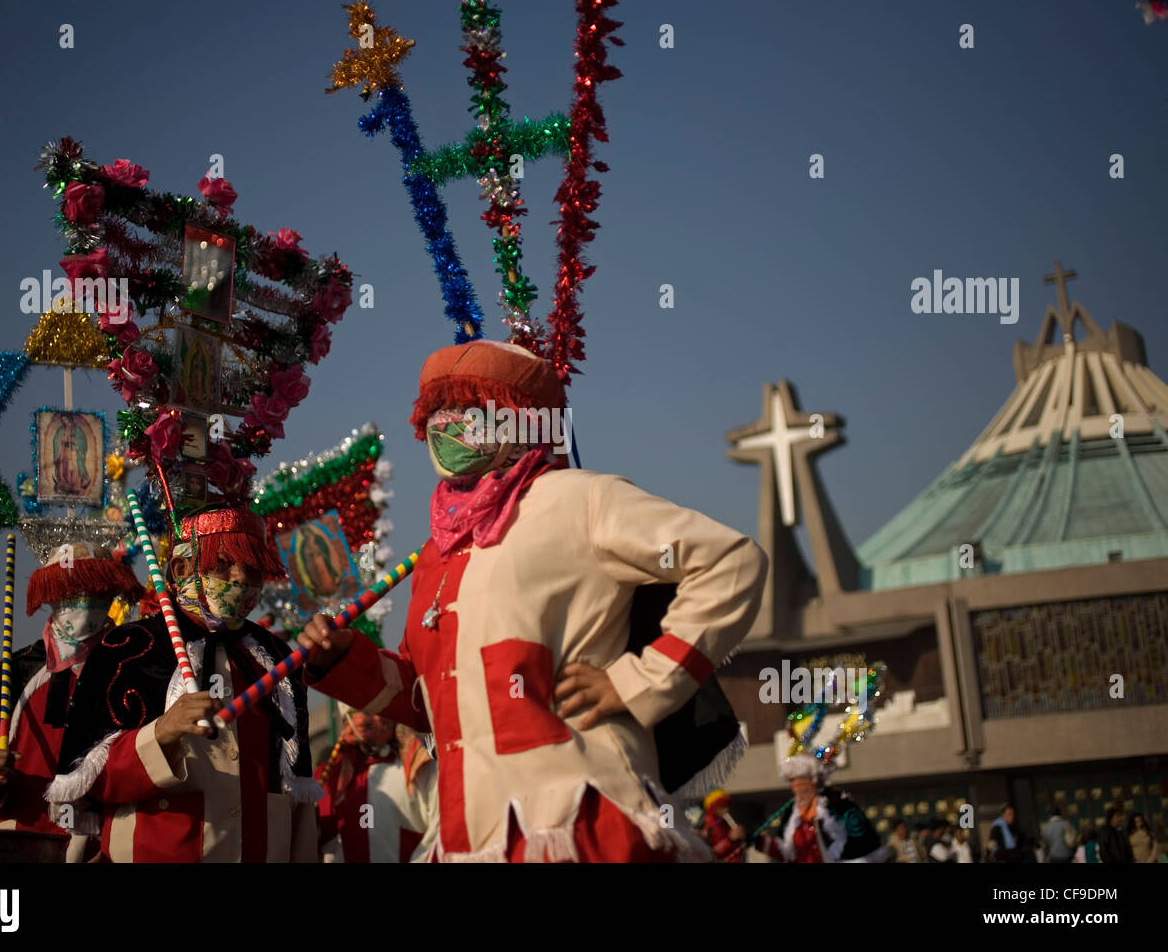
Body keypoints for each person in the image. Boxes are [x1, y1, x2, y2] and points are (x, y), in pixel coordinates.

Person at [299, 341, 768, 862]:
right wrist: (341, 659)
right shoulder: (437, 551)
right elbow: (426, 702)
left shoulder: (579, 498)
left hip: (580, 824)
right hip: (467, 837)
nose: (447, 424)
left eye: (469, 408)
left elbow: (731, 560)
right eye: (437, 410)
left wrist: (640, 680)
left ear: (522, 420)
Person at [46, 506, 321, 862]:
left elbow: (295, 799)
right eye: (223, 562)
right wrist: (160, 734)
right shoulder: (129, 649)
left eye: (252, 565)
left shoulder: (274, 656)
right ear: (180, 569)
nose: (240, 577)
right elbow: (87, 783)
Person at [0, 542, 143, 854]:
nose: (84, 601)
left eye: (96, 590)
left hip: (103, 846)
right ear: (51, 594)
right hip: (23, 842)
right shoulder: (14, 671)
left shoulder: (131, 668)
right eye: (70, 590)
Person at [314, 706, 438, 862]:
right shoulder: (329, 777)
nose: (378, 719)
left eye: (383, 708)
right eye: (367, 710)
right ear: (348, 716)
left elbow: (439, 834)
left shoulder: (420, 768)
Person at [771, 754, 888, 863]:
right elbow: (786, 851)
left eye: (800, 782)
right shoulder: (792, 812)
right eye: (792, 782)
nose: (796, 789)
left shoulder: (837, 803)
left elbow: (864, 841)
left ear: (814, 781)